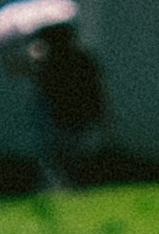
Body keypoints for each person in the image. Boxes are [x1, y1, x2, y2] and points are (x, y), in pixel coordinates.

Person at [21, 17, 109, 193]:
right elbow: (97, 88)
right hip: (74, 116)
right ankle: (70, 187)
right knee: (71, 156)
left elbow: (37, 79)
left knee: (60, 156)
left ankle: (64, 188)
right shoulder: (81, 58)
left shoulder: (54, 62)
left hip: (63, 116)